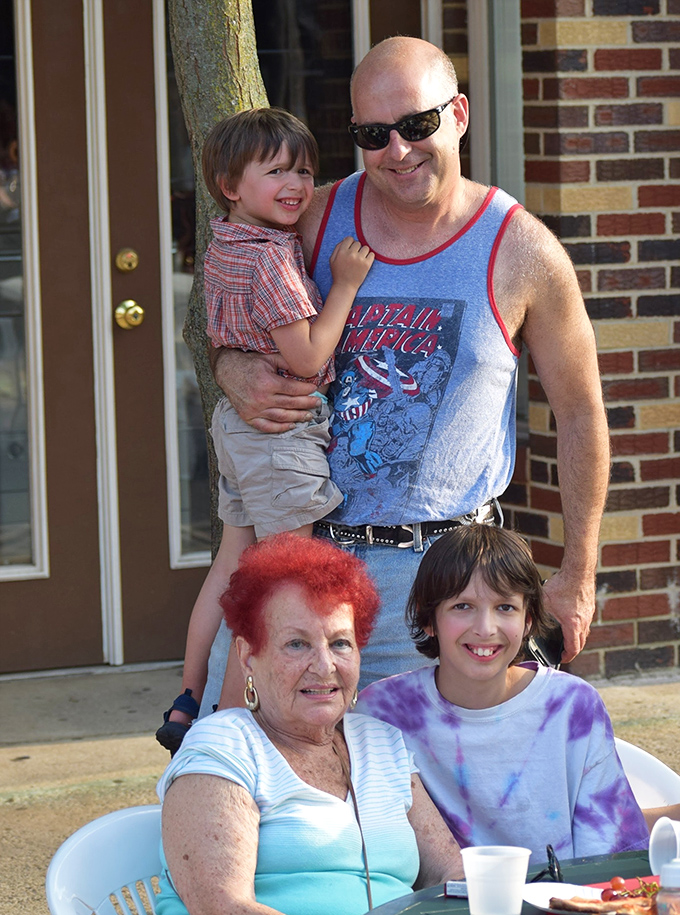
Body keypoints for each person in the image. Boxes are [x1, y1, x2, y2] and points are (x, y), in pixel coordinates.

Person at [204, 36, 610, 709]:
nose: (397, 149)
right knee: (239, 771)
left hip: (440, 583)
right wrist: (232, 369)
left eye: (417, 125)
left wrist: (577, 574)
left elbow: (579, 411)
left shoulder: (522, 248)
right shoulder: (310, 216)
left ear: (458, 114)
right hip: (297, 562)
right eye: (373, 133)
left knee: (425, 802)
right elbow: (232, 308)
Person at [156, 108, 374, 753]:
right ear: (229, 184)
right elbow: (307, 357)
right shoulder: (272, 259)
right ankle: (227, 727)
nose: (296, 184)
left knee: (231, 564)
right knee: (274, 581)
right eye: (275, 171)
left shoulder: (224, 241)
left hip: (238, 427)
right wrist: (347, 286)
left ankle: (189, 695)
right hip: (279, 436)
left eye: (304, 171)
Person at [156, 533, 464, 915]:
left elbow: (451, 876)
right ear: (248, 656)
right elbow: (222, 907)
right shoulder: (223, 746)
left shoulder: (381, 742)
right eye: (297, 644)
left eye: (340, 643)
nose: (324, 666)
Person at [355, 524, 649, 864]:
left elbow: (609, 855)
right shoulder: (382, 713)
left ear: (528, 620)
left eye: (505, 607)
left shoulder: (572, 706)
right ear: (428, 617)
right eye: (462, 606)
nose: (485, 628)